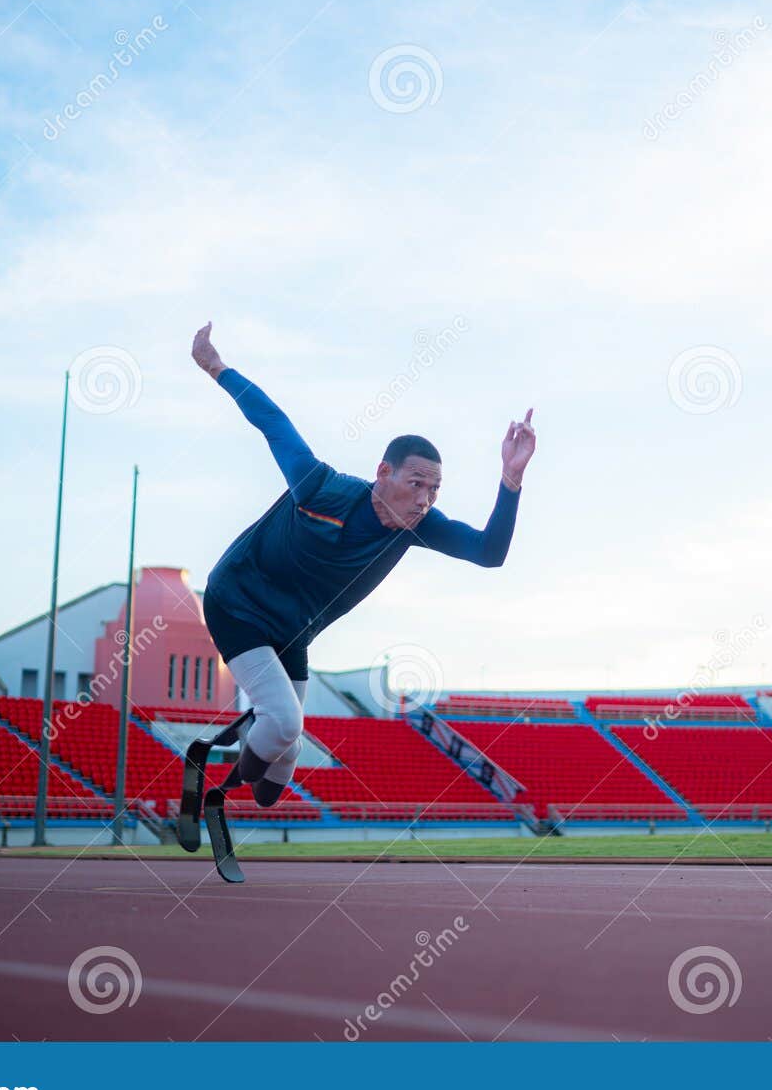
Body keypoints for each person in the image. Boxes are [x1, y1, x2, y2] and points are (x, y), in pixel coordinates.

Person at [190, 321, 535, 808]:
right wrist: (216, 367)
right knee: (284, 723)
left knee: (280, 766)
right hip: (238, 603)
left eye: (434, 490)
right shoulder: (320, 487)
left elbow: (488, 553)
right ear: (383, 473)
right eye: (416, 484)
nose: (424, 499)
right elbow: (272, 421)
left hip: (292, 631)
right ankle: (217, 790)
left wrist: (510, 479)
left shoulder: (419, 526)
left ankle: (242, 759)